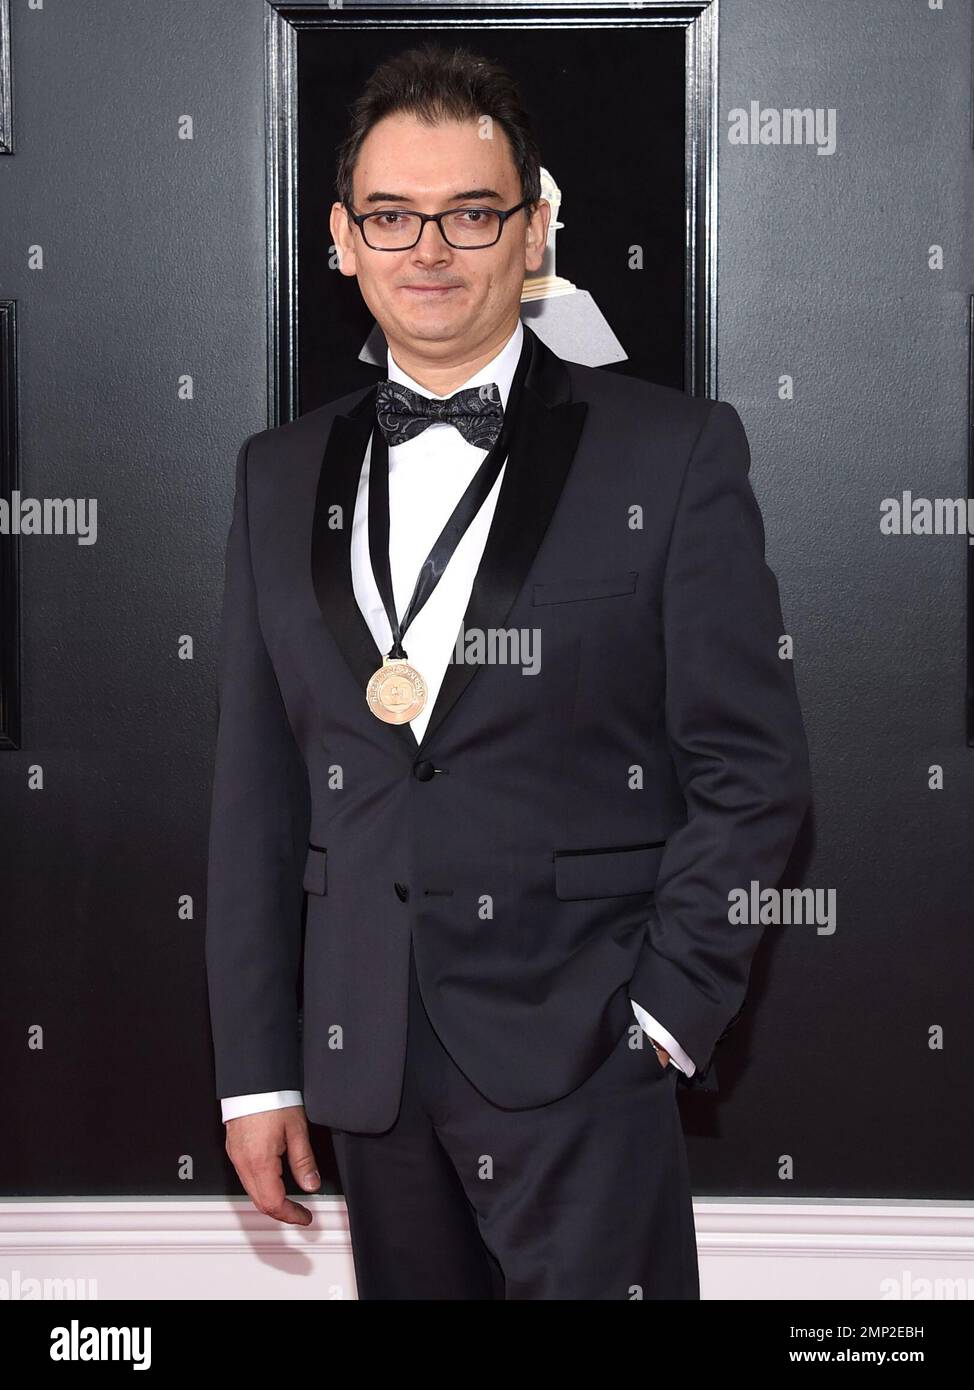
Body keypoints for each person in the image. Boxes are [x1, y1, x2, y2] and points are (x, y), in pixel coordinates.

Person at [205, 42, 812, 1300]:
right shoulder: (274, 474)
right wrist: (259, 1069)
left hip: (583, 1058)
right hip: (362, 1065)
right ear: (342, 236)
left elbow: (748, 770)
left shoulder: (673, 452)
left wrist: (659, 1020)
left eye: (469, 213)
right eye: (391, 215)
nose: (428, 249)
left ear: (530, 230)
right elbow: (256, 792)